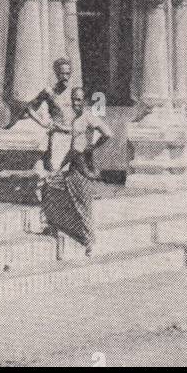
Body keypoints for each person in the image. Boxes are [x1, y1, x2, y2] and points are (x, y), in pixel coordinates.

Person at [40, 87, 112, 255]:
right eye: (73, 100)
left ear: (85, 101)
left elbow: (107, 133)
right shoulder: (75, 120)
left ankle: (90, 242)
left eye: (79, 100)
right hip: (73, 163)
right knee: (50, 186)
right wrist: (59, 166)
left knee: (82, 205)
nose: (75, 103)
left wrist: (92, 147)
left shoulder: (88, 117)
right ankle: (55, 225)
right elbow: (72, 148)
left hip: (82, 166)